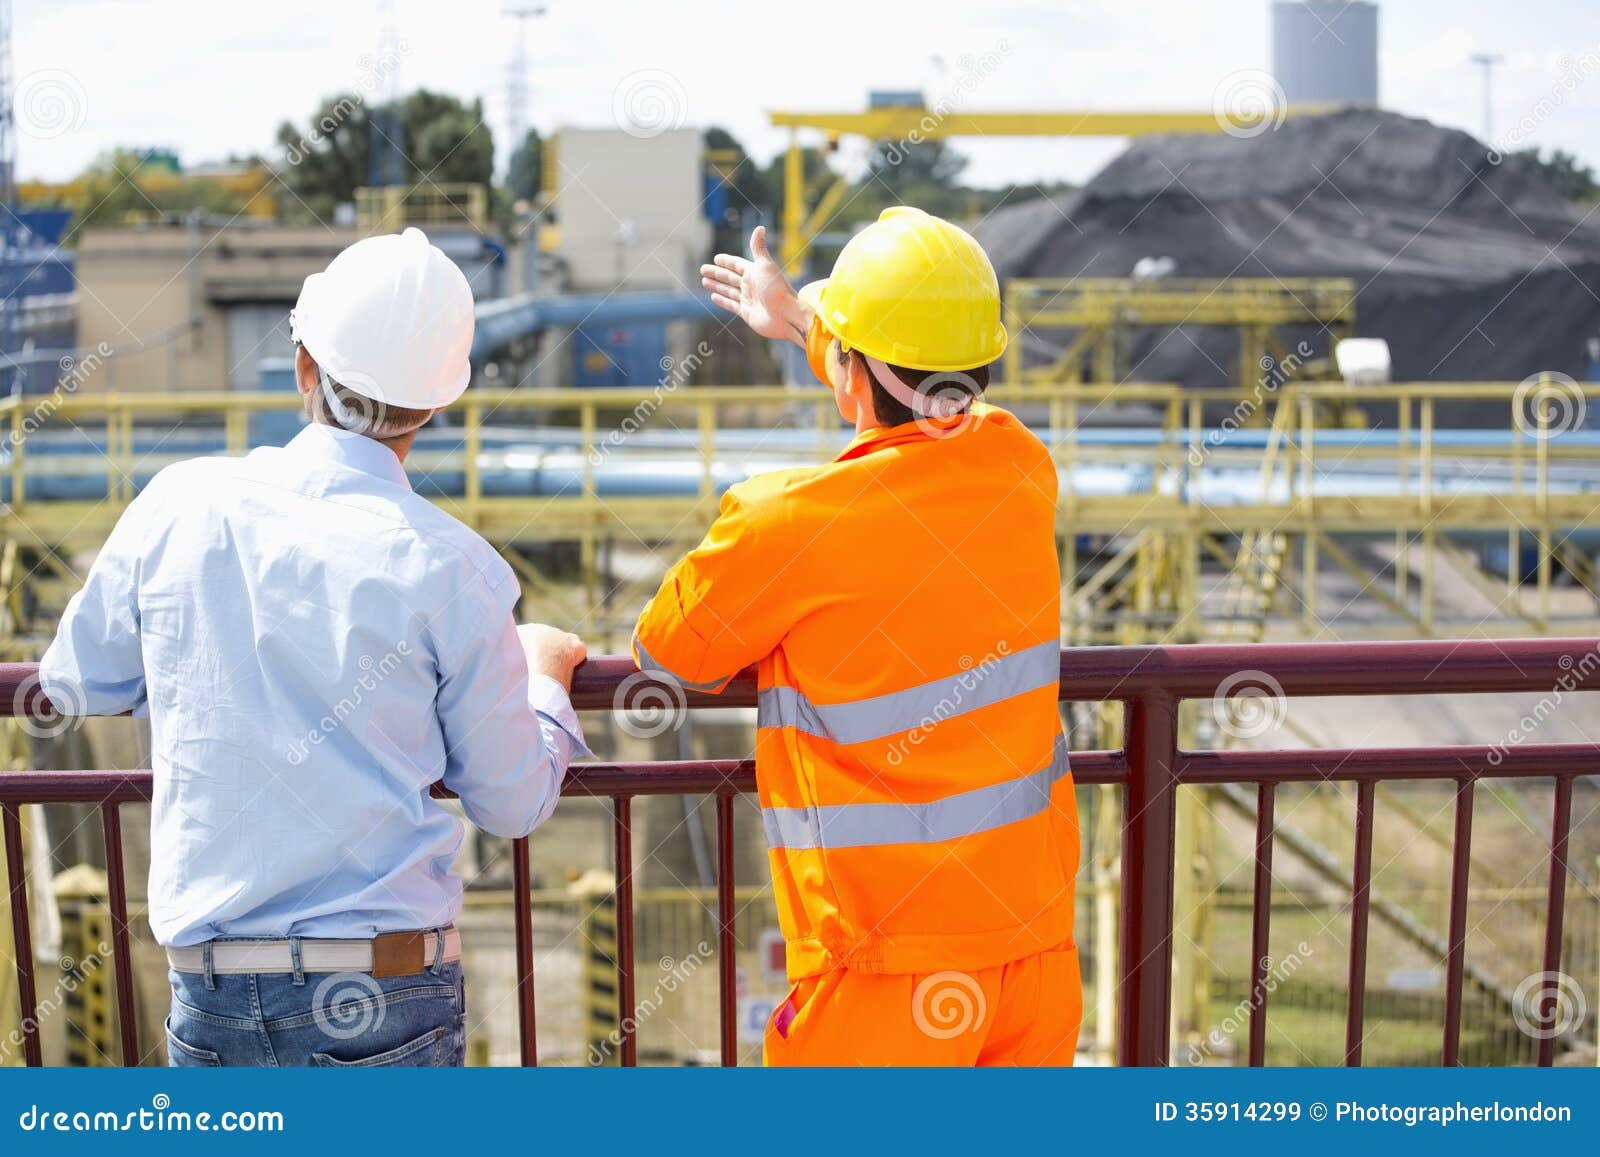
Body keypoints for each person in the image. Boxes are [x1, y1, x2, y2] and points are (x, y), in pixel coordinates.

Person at [39, 228, 591, 1068]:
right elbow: (511, 804)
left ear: (305, 365)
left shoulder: (178, 503)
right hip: (384, 996)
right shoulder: (454, 565)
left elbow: (76, 683)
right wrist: (545, 681)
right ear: (436, 405)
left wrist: (196, 667)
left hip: (212, 996)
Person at [634, 208, 1081, 1066]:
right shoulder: (1021, 466)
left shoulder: (786, 522)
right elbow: (916, 389)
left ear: (851, 369)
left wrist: (815, 323)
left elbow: (669, 651)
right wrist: (801, 316)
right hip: (1031, 952)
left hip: (886, 973)